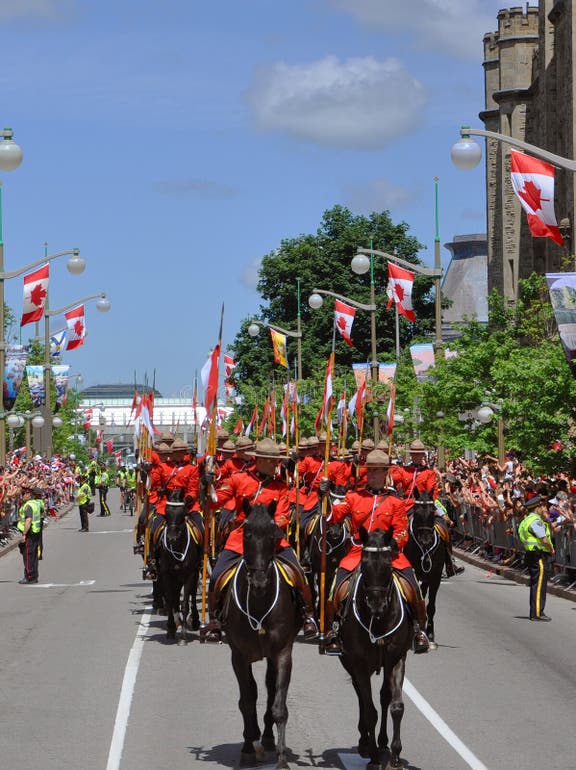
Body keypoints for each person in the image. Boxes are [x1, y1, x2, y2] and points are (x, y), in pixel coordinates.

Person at [201, 437, 318, 643]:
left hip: (272, 540)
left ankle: (307, 615)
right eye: (272, 461)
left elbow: (283, 515)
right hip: (241, 539)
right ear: (260, 460)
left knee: (299, 573)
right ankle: (215, 620)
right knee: (217, 574)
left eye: (276, 461)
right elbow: (215, 502)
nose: (275, 465)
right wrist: (207, 487)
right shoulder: (238, 479)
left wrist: (270, 526)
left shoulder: (280, 486)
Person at [321, 449, 429, 655]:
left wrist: (392, 545)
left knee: (413, 587)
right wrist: (324, 496)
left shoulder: (395, 502)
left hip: (389, 555)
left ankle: (419, 630)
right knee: (336, 589)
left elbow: (402, 532)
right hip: (358, 553)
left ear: (386, 473)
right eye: (370, 471)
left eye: (377, 471)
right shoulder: (353, 497)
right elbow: (332, 517)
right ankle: (332, 630)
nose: (372, 475)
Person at [517, 495, 554, 621]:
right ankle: (537, 613)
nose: (543, 508)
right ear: (537, 507)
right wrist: (551, 549)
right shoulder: (535, 521)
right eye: (541, 506)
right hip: (539, 555)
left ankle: (536, 611)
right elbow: (543, 539)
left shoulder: (525, 521)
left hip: (531, 554)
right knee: (539, 585)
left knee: (536, 584)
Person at [17, 486, 45, 584]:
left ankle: (29, 576)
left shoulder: (28, 505)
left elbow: (28, 521)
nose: (23, 496)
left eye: (24, 494)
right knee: (33, 556)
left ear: (29, 495)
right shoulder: (36, 503)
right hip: (36, 531)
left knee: (28, 555)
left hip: (29, 532)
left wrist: (24, 534)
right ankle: (34, 575)